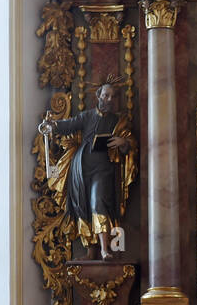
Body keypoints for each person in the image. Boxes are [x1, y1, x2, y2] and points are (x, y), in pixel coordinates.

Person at [41, 78, 136, 259]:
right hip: (81, 171)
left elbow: (130, 142)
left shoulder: (118, 121)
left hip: (103, 171)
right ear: (98, 95)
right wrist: (53, 125)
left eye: (113, 96)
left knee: (98, 202)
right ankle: (90, 251)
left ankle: (105, 249)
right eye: (106, 95)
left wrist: (123, 142)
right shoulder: (87, 116)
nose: (109, 99)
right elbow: (69, 124)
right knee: (82, 207)